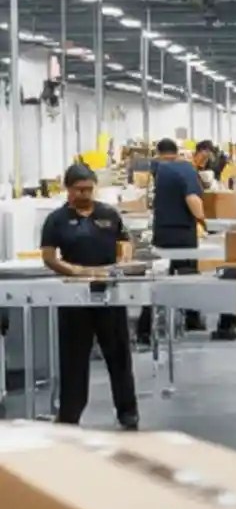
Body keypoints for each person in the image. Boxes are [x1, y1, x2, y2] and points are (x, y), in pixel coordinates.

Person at [41, 164, 139, 429]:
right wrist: (76, 271)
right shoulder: (56, 220)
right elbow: (49, 257)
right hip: (75, 296)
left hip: (108, 293)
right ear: (68, 189)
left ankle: (127, 411)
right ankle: (70, 414)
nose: (84, 194)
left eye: (89, 189)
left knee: (118, 354)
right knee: (73, 358)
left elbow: (125, 243)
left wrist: (122, 263)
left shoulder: (108, 214)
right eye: (79, 189)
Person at [137, 138, 210, 344]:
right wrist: (205, 222)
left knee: (158, 278)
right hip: (182, 233)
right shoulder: (185, 169)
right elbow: (193, 199)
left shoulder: (158, 168)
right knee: (187, 276)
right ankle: (191, 320)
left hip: (162, 231)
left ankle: (144, 329)